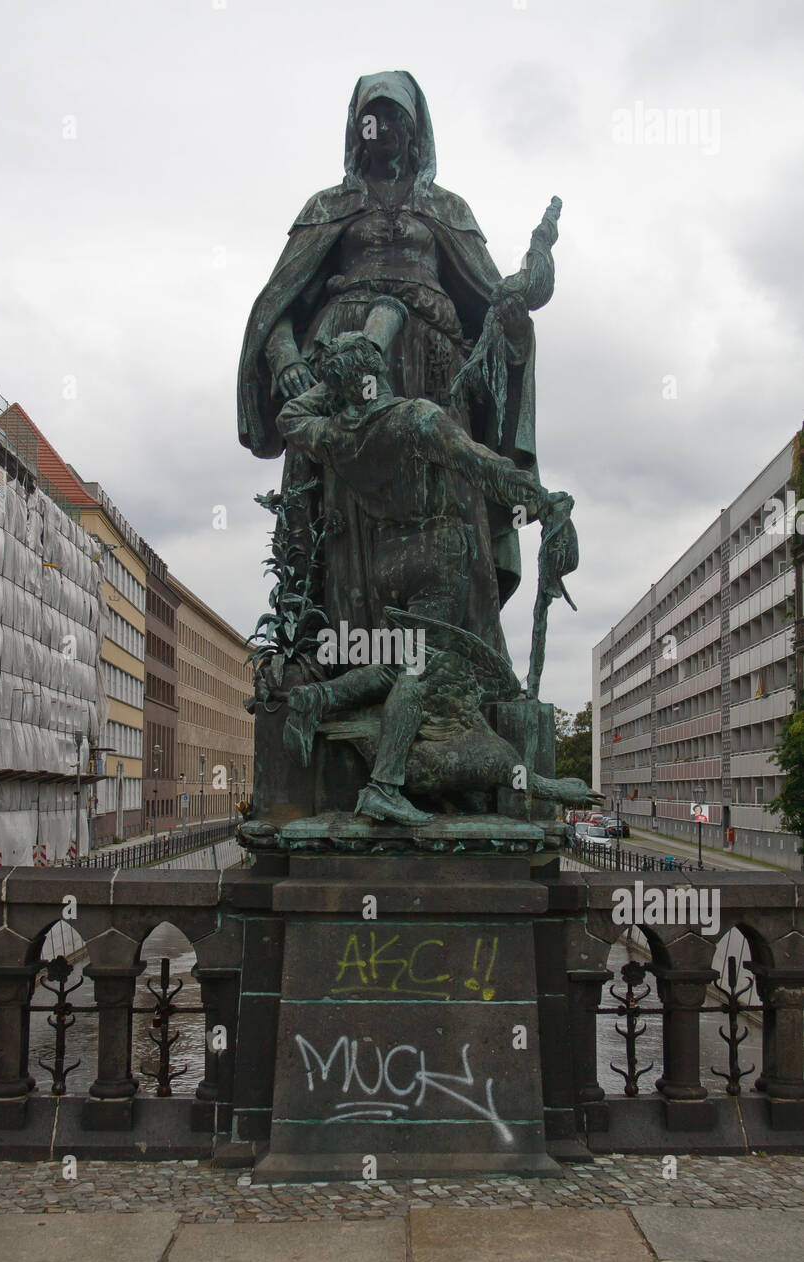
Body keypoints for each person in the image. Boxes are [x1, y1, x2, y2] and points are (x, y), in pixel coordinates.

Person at [238, 71, 546, 658]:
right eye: (372, 117)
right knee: (340, 508)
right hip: (345, 365)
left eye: (397, 117)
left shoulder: (447, 209)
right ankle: (335, 656)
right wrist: (283, 362)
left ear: (415, 130)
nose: (383, 129)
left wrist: (513, 325)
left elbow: (492, 301)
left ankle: (456, 655)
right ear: (358, 129)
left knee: (447, 490)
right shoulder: (327, 207)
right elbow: (274, 307)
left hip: (431, 368)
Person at [276, 329, 568, 824]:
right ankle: (384, 785)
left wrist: (337, 386)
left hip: (385, 560)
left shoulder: (337, 436)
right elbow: (483, 466)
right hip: (437, 550)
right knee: (419, 669)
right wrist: (543, 501)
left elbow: (289, 417)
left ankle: (317, 697)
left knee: (394, 663)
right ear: (378, 367)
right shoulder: (417, 418)